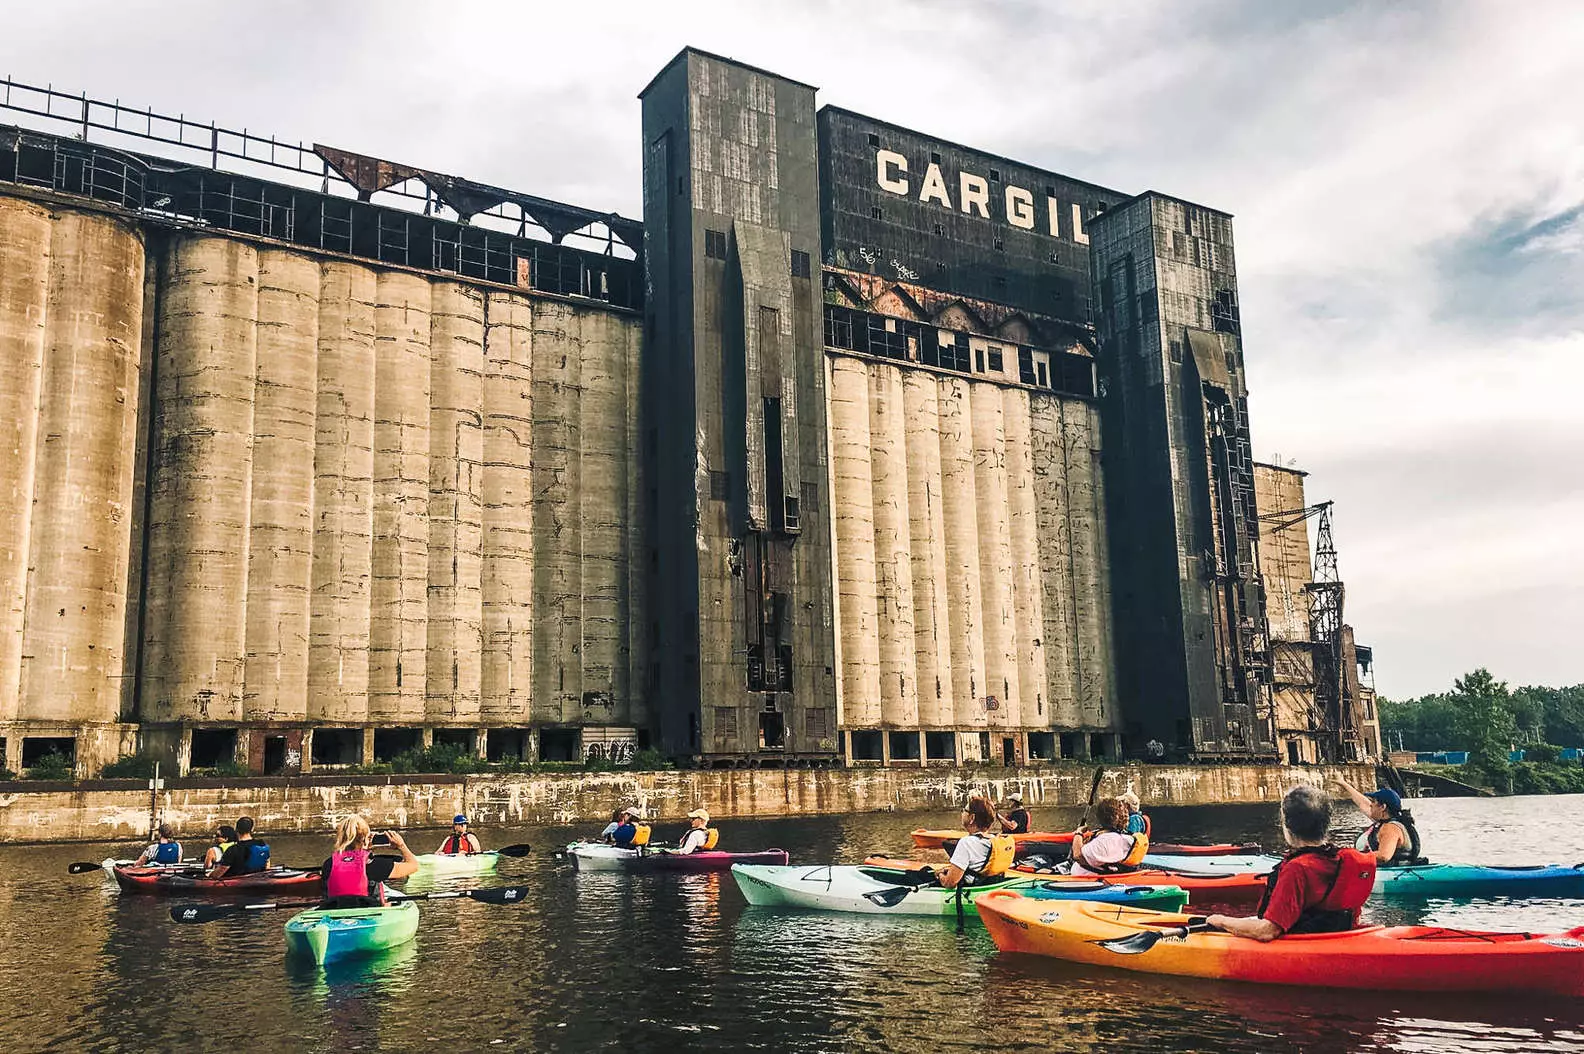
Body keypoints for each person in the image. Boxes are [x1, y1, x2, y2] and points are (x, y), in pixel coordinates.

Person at [1206, 784, 1376, 941]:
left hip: (1302, 948)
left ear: (1287, 824)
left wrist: (1221, 921)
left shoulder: (1297, 868)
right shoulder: (1335, 858)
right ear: (1325, 823)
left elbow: (1267, 931)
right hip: (1333, 938)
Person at [320, 815, 421, 908]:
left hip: (336, 910)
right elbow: (413, 866)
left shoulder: (329, 864)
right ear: (366, 839)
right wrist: (401, 846)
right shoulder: (373, 864)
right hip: (368, 911)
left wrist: (366, 849)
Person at [1335, 778, 1423, 866]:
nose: (1370, 804)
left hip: (1391, 874)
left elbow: (1384, 856)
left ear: (1383, 807)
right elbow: (1363, 803)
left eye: (1373, 802)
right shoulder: (1385, 821)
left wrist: (1351, 856)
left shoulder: (1390, 828)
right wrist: (1344, 785)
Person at [1068, 797, 1148, 876]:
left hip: (1087, 882)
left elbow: (1077, 856)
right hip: (1099, 876)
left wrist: (1078, 833)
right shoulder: (1125, 838)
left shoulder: (1105, 840)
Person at [937, 797, 999, 889]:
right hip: (986, 884)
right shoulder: (994, 839)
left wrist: (939, 874)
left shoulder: (966, 843)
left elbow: (949, 883)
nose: (962, 813)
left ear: (972, 818)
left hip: (970, 889)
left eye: (964, 811)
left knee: (921, 873)